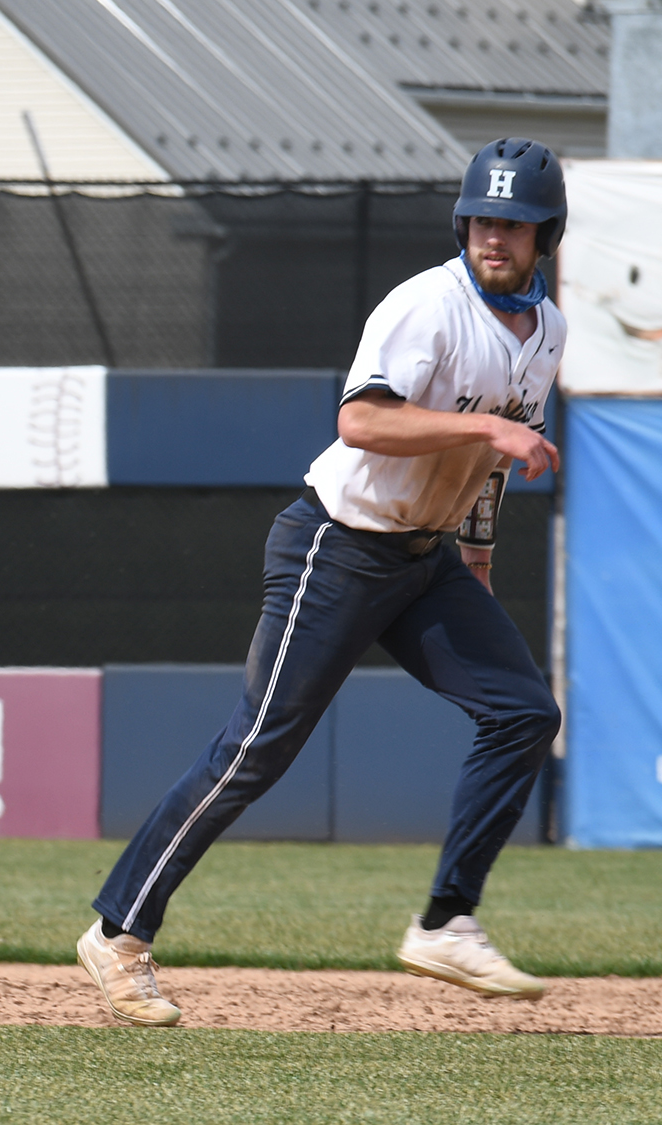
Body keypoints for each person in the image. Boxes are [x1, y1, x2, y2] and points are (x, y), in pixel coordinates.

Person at [78, 138, 567, 1027]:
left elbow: (489, 475)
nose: (496, 236)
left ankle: (447, 919)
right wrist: (489, 432)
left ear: (547, 235)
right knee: (257, 748)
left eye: (516, 223)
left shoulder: (548, 331)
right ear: (463, 223)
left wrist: (478, 564)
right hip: (336, 546)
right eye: (483, 219)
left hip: (428, 561)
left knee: (525, 712)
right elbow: (361, 420)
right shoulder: (427, 306)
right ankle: (118, 933)